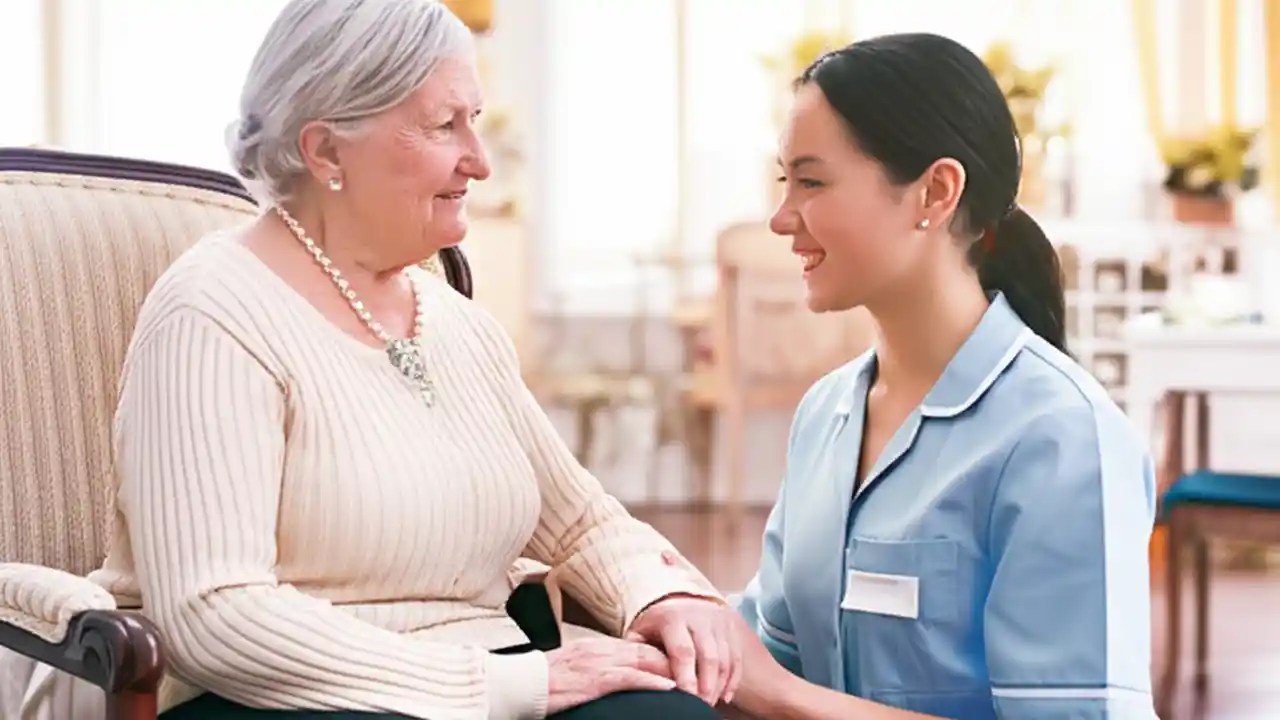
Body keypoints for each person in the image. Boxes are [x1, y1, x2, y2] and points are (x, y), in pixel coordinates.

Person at [16, 1, 744, 718]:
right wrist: (496, 686)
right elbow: (215, 612)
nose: (479, 161)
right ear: (327, 151)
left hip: (492, 668)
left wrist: (659, 592)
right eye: (444, 126)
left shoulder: (457, 324)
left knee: (668, 716)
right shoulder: (212, 313)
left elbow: (579, 522)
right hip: (281, 695)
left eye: (475, 121)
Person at [725, 33, 1159, 720]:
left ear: (935, 191)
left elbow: (772, 687)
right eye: (786, 183)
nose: (782, 219)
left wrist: (781, 697)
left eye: (811, 182)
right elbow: (764, 655)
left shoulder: (1063, 438)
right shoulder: (825, 415)